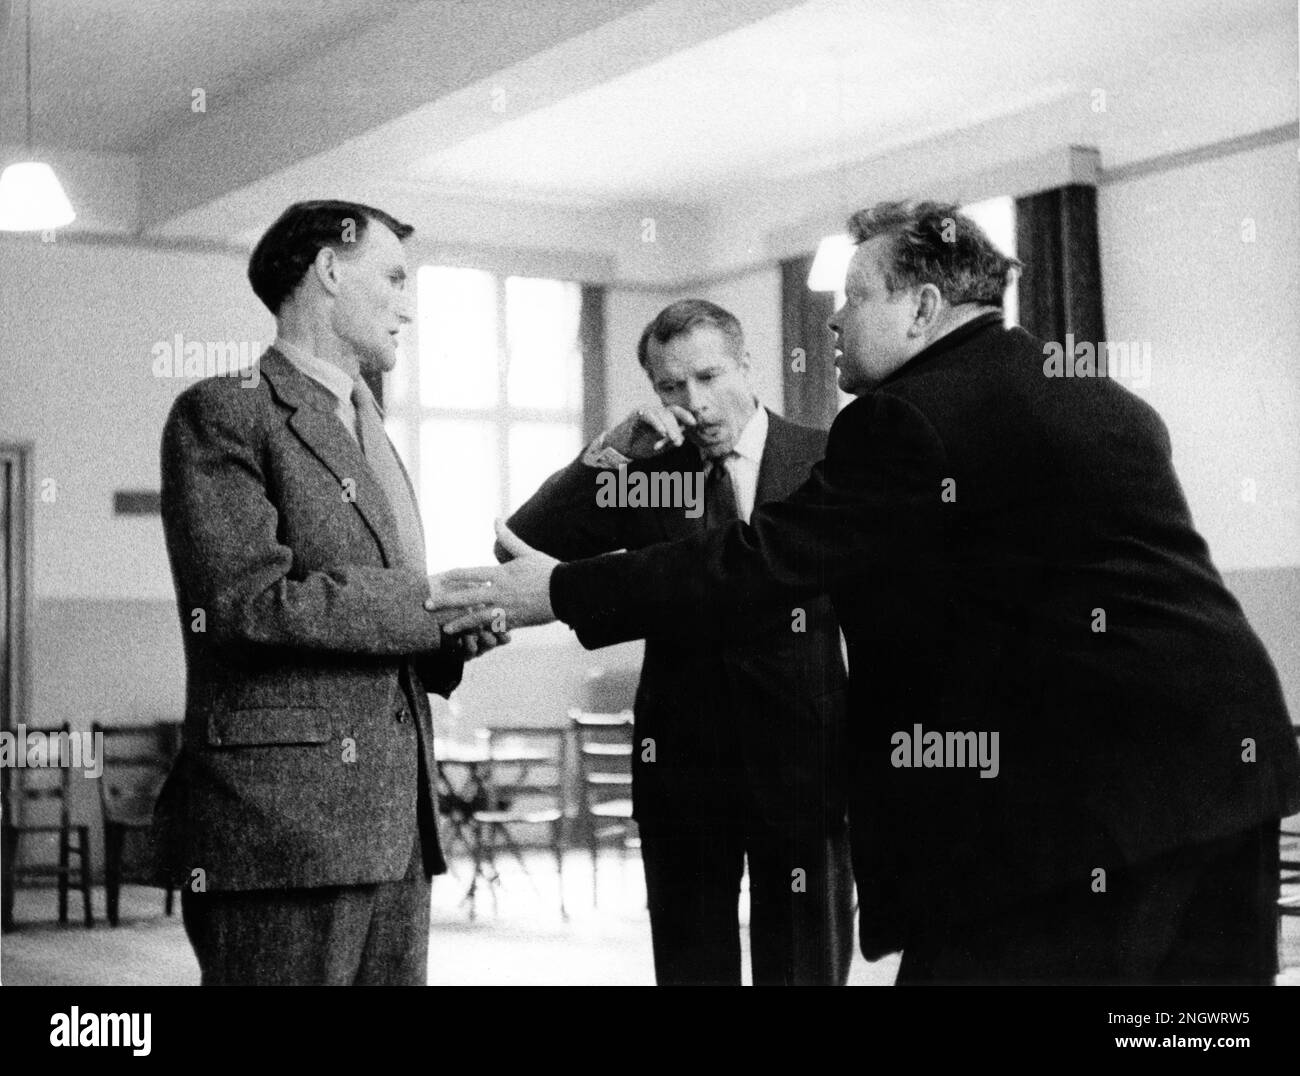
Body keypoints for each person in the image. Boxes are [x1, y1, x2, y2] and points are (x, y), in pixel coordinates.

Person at [442, 201, 1300, 984]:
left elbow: (763, 560)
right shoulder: (1095, 392)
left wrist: (557, 593)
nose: (834, 317)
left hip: (1068, 814)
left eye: (855, 296)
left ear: (923, 308)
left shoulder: (906, 418)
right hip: (1225, 771)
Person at [152, 200, 505, 986]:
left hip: (395, 827)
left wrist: (448, 637)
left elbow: (381, 620)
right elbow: (246, 604)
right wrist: (429, 604)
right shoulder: (225, 409)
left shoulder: (368, 425)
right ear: (331, 269)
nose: (410, 306)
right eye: (395, 278)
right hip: (282, 830)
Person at [503, 300, 853, 985]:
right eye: (670, 387)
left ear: (746, 364)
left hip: (805, 770)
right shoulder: (645, 473)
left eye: (709, 375)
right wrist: (608, 451)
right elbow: (521, 545)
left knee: (806, 972)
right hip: (683, 772)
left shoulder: (827, 459)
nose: (695, 402)